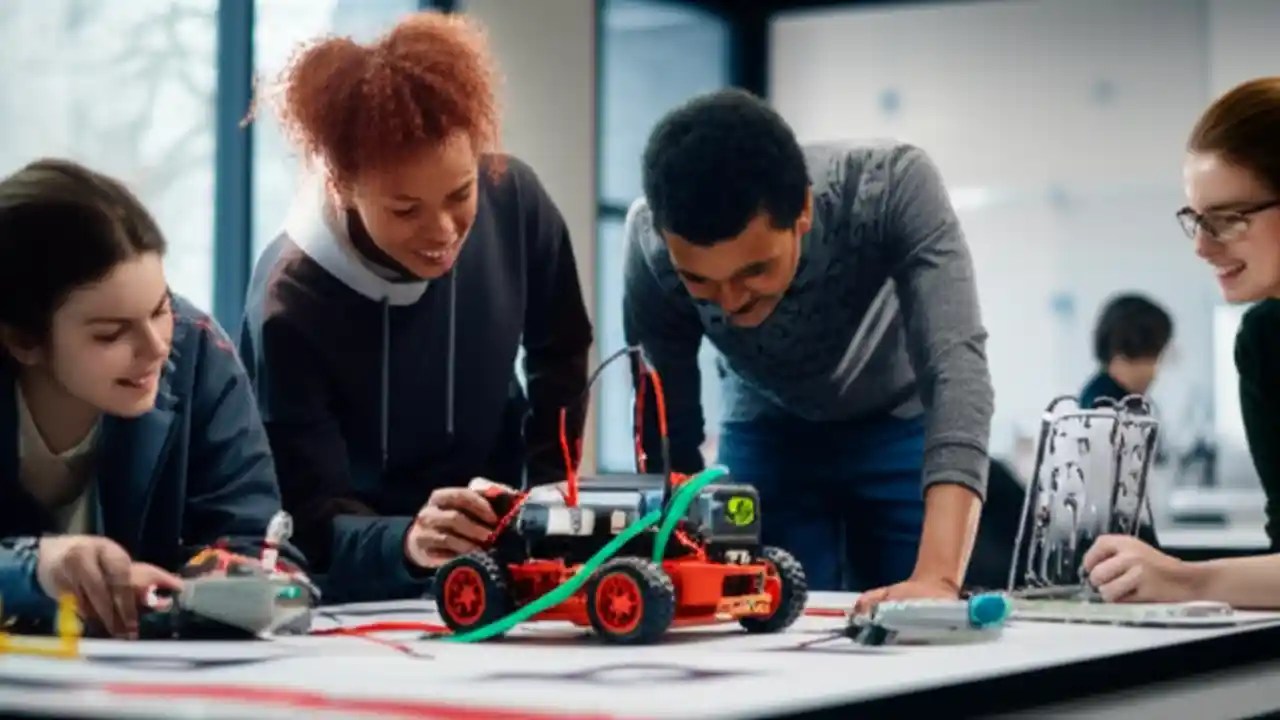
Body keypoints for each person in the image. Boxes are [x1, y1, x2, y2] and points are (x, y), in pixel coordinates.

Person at [239, 12, 592, 603]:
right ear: (341, 187)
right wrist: (409, 541)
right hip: (364, 580)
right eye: (405, 210)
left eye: (460, 195)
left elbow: (560, 347)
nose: (444, 231)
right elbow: (308, 515)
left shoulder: (514, 198)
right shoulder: (289, 302)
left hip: (494, 547)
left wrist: (551, 488)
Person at [623, 88, 994, 610]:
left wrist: (937, 577)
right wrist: (671, 559)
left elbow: (956, 368)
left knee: (923, 616)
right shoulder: (648, 244)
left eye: (755, 270)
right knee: (752, 615)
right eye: (700, 281)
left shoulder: (889, 186)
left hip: (898, 423)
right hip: (766, 430)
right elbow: (667, 421)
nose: (730, 302)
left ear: (802, 209)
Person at [0, 159, 301, 638]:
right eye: (111, 334)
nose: (158, 347)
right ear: (22, 341)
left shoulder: (197, 354)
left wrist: (197, 591)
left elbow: (255, 543)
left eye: (160, 308)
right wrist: (34, 571)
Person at [1086, 76, 1280, 607]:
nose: (1201, 245)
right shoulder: (1263, 341)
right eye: (1196, 219)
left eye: (1228, 220)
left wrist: (1187, 580)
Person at [1080, 293, 1173, 408]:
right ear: (1119, 357)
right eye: (1148, 359)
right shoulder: (1103, 405)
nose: (1152, 373)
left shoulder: (1123, 397)